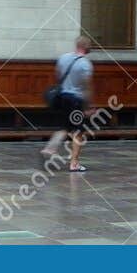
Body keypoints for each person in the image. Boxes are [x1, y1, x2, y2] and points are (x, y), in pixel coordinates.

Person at [41, 35, 93, 172]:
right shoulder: (85, 64)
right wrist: (87, 107)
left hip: (62, 97)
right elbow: (87, 86)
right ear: (86, 47)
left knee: (64, 127)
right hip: (76, 100)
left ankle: (50, 148)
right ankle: (74, 163)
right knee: (78, 133)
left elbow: (58, 75)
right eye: (90, 45)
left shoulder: (63, 58)